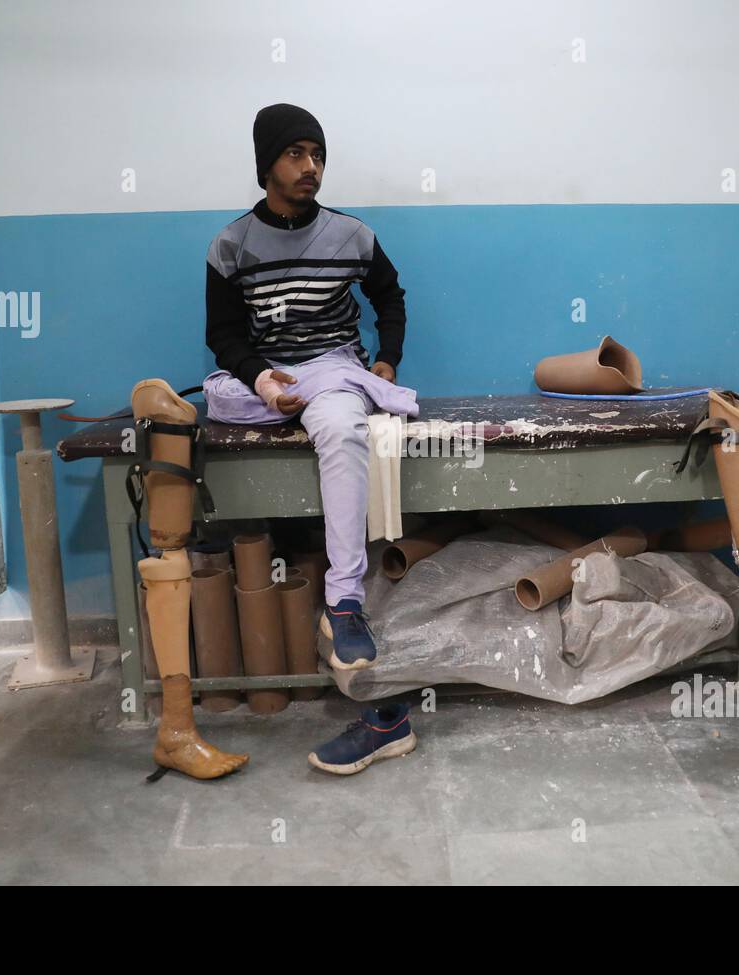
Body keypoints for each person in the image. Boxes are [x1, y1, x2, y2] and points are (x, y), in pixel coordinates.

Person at [203, 103, 418, 774]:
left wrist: (388, 360)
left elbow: (391, 295)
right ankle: (310, 392)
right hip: (269, 382)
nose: (310, 167)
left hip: (332, 370)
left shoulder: (352, 234)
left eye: (316, 155)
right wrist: (263, 382)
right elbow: (225, 337)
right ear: (267, 164)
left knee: (341, 421)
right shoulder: (232, 245)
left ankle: (345, 600)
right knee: (215, 391)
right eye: (296, 155)